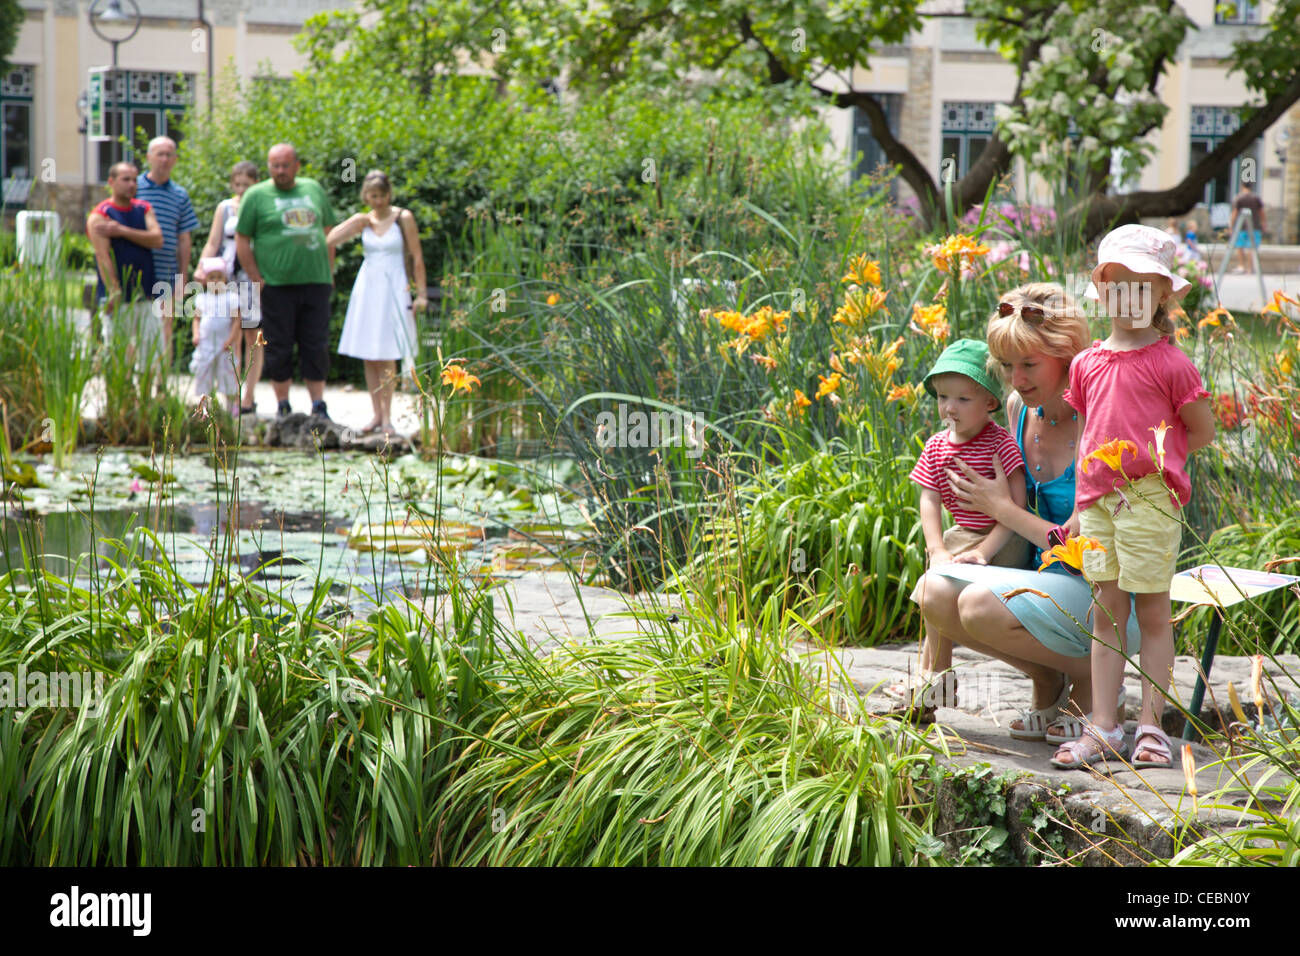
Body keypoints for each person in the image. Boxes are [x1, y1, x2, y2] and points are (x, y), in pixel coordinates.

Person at [908, 283, 1144, 744]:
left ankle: (1100, 683)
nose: (1015, 379)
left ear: (1067, 354)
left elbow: (1076, 547)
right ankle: (1049, 681)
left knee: (978, 605)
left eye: (1029, 364)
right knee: (934, 590)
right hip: (1044, 582)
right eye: (1006, 365)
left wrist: (1000, 508)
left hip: (1104, 595)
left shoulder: (1097, 416)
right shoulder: (1019, 409)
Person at [1049, 224, 1215, 770]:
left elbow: (1201, 430)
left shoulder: (1171, 364)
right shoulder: (1086, 363)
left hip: (1148, 500)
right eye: (1117, 285)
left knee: (1154, 612)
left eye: (1142, 286)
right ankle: (1103, 725)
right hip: (1098, 503)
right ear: (1101, 292)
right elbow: (1087, 435)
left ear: (1162, 293)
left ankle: (1151, 725)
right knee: (1106, 611)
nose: (1129, 297)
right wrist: (1081, 505)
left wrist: (1153, 461)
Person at [895, 339, 1028, 716]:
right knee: (933, 587)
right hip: (963, 536)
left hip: (1004, 537)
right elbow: (929, 499)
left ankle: (934, 679)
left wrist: (984, 551)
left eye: (963, 399)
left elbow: (1017, 507)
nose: (949, 408)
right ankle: (934, 679)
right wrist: (936, 548)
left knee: (939, 586)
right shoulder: (937, 446)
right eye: (942, 397)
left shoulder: (999, 443)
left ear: (990, 402)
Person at [235, 144, 337, 420]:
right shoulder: (256, 195)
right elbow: (242, 238)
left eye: (285, 165)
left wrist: (329, 271)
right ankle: (283, 404)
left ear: (297, 166)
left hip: (316, 281)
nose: (280, 171)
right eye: (275, 166)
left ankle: (318, 404)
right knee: (279, 345)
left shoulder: (313, 188)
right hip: (276, 285)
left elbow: (329, 232)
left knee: (316, 344)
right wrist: (255, 277)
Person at [326, 170, 428, 437]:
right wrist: (357, 220)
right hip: (368, 288)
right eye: (373, 196)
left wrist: (421, 294)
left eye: (382, 195)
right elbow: (331, 239)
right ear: (366, 196)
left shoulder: (403, 218)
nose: (378, 201)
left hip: (394, 288)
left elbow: (417, 257)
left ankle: (388, 416)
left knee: (387, 351)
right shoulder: (365, 221)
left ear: (389, 194)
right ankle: (376, 414)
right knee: (369, 353)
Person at [197, 160, 263, 415]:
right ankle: (231, 392)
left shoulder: (259, 205)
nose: (242, 189)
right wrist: (202, 267)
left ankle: (249, 395)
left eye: (247, 184)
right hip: (226, 276)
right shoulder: (224, 208)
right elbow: (213, 241)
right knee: (229, 334)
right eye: (238, 184)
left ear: (256, 183)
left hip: (250, 274)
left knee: (252, 334)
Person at [86, 161, 164, 372]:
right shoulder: (100, 215)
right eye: (126, 179)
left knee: (152, 353)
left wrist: (122, 231)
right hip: (118, 297)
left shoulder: (143, 208)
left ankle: (147, 392)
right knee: (118, 355)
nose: (131, 184)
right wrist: (114, 291)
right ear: (111, 182)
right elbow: (102, 256)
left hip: (146, 292)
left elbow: (157, 239)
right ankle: (121, 393)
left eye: (134, 180)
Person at [136, 136, 200, 364]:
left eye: (168, 155)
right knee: (135, 329)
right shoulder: (134, 187)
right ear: (149, 157)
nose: (164, 159)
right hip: (136, 271)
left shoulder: (180, 195)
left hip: (166, 273)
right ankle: (133, 381)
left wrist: (182, 277)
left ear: (175, 159)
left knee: (164, 327)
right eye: (159, 154)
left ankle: (160, 380)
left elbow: (184, 238)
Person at [189, 256, 242, 413]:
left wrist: (231, 340)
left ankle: (231, 407)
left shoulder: (232, 298)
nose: (216, 281)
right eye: (212, 277)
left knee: (228, 374)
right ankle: (204, 407)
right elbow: (196, 319)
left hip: (225, 344)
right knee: (204, 373)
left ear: (225, 279)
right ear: (206, 280)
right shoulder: (201, 298)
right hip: (205, 344)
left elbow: (236, 321)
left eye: (219, 277)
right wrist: (196, 335)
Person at [1229, 182, 1266, 274]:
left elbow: (1234, 213)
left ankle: (1241, 266)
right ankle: (1250, 268)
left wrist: (1231, 225)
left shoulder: (1239, 197)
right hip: (1254, 225)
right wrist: (1263, 222)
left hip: (1241, 226)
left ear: (1242, 186)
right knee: (1251, 248)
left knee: (1240, 246)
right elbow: (1261, 211)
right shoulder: (1256, 197)